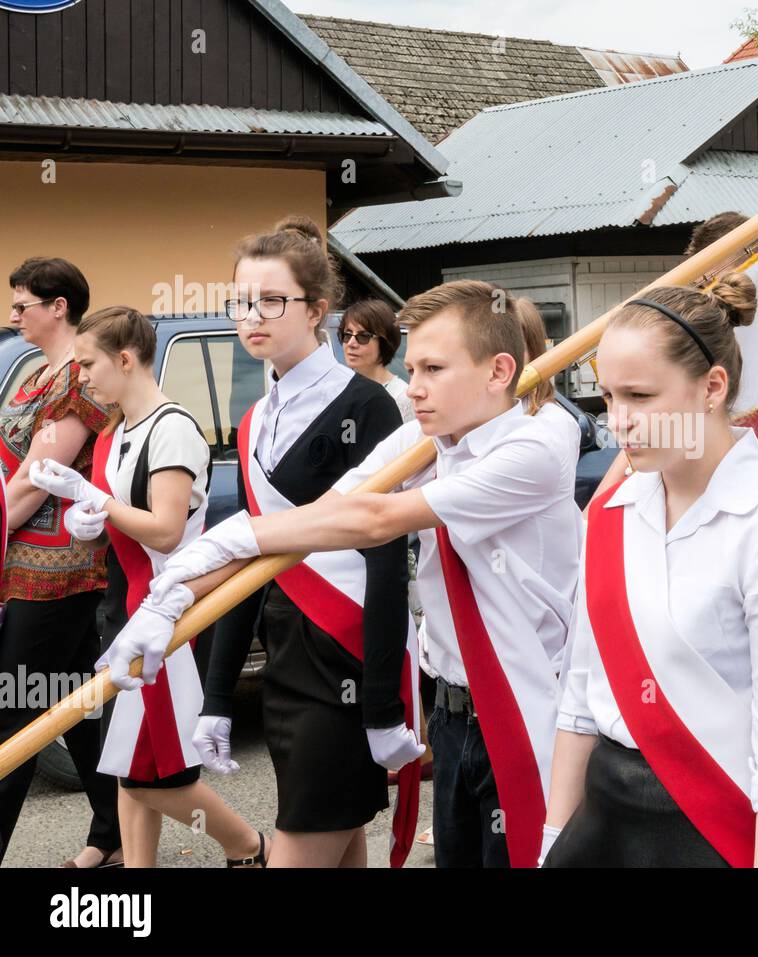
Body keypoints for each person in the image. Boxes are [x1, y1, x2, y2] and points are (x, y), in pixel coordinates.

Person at [113, 279, 581, 869]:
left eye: (434, 368)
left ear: (498, 372)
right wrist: (171, 598)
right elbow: (314, 521)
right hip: (455, 716)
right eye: (412, 367)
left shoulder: (535, 450)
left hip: (524, 713)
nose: (415, 388)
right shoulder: (426, 439)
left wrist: (190, 563)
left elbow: (369, 519)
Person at [106, 216, 416, 868]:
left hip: (347, 652)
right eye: (241, 300)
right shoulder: (252, 421)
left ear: (319, 310)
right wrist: (219, 696)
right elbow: (248, 552)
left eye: (272, 300)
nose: (253, 316)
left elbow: (387, 554)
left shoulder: (368, 405)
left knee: (311, 828)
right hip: (283, 645)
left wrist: (384, 702)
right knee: (341, 829)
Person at [542, 275, 758, 868]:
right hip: (602, 825)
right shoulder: (609, 512)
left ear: (712, 386)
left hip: (718, 828)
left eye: (639, 396)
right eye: (606, 397)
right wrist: (549, 845)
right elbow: (580, 701)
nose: (617, 422)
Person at [28, 306, 266, 867]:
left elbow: (163, 530)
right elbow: (117, 537)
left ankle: (250, 847)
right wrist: (89, 526)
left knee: (156, 778)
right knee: (129, 773)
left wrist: (100, 501)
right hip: (128, 607)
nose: (81, 376)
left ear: (126, 360)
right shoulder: (115, 432)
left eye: (88, 364)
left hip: (174, 609)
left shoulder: (172, 428)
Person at [0, 257, 121, 867]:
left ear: (59, 307)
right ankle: (116, 829)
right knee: (71, 700)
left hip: (57, 566)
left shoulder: (77, 374)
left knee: (13, 709)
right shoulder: (31, 373)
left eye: (23, 304)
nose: (13, 314)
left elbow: (36, 478)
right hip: (21, 556)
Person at [339, 299, 414, 422]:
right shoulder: (338, 390)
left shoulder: (402, 398)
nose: (351, 343)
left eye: (363, 336)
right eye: (347, 335)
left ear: (384, 342)